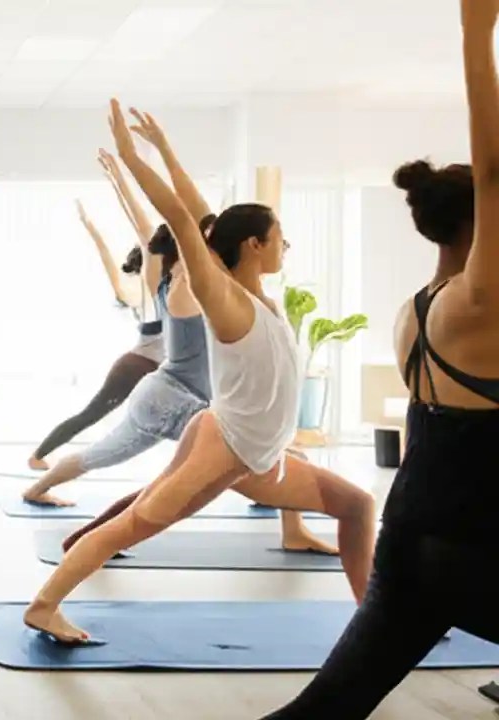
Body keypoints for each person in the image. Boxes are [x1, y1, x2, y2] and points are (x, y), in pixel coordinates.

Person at [21, 100, 376, 645]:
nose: (285, 247)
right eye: (280, 237)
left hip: (254, 450)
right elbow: (183, 218)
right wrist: (131, 158)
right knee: (136, 524)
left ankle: (374, 618)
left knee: (357, 505)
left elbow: (199, 210)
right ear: (255, 244)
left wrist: (164, 148)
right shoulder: (224, 298)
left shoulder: (259, 297)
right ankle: (44, 606)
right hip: (227, 447)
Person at [262, 3, 499, 716]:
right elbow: (493, 172)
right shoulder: (474, 304)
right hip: (474, 549)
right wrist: (477, 34)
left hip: (411, 540)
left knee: (326, 708)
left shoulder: (415, 312)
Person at [27, 151, 166, 471]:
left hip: (157, 369)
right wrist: (117, 182)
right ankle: (38, 456)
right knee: (92, 413)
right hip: (138, 366)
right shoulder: (146, 290)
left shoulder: (175, 290)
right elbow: (141, 228)